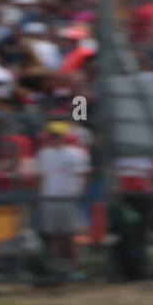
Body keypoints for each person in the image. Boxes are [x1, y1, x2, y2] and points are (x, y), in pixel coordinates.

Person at [35, 121, 88, 282]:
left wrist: (76, 195)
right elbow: (41, 177)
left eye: (56, 135)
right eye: (51, 135)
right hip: (50, 199)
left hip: (67, 199)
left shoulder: (76, 154)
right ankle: (52, 269)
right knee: (52, 237)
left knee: (70, 236)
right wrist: (40, 196)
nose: (53, 138)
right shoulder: (44, 154)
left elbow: (82, 177)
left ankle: (75, 268)